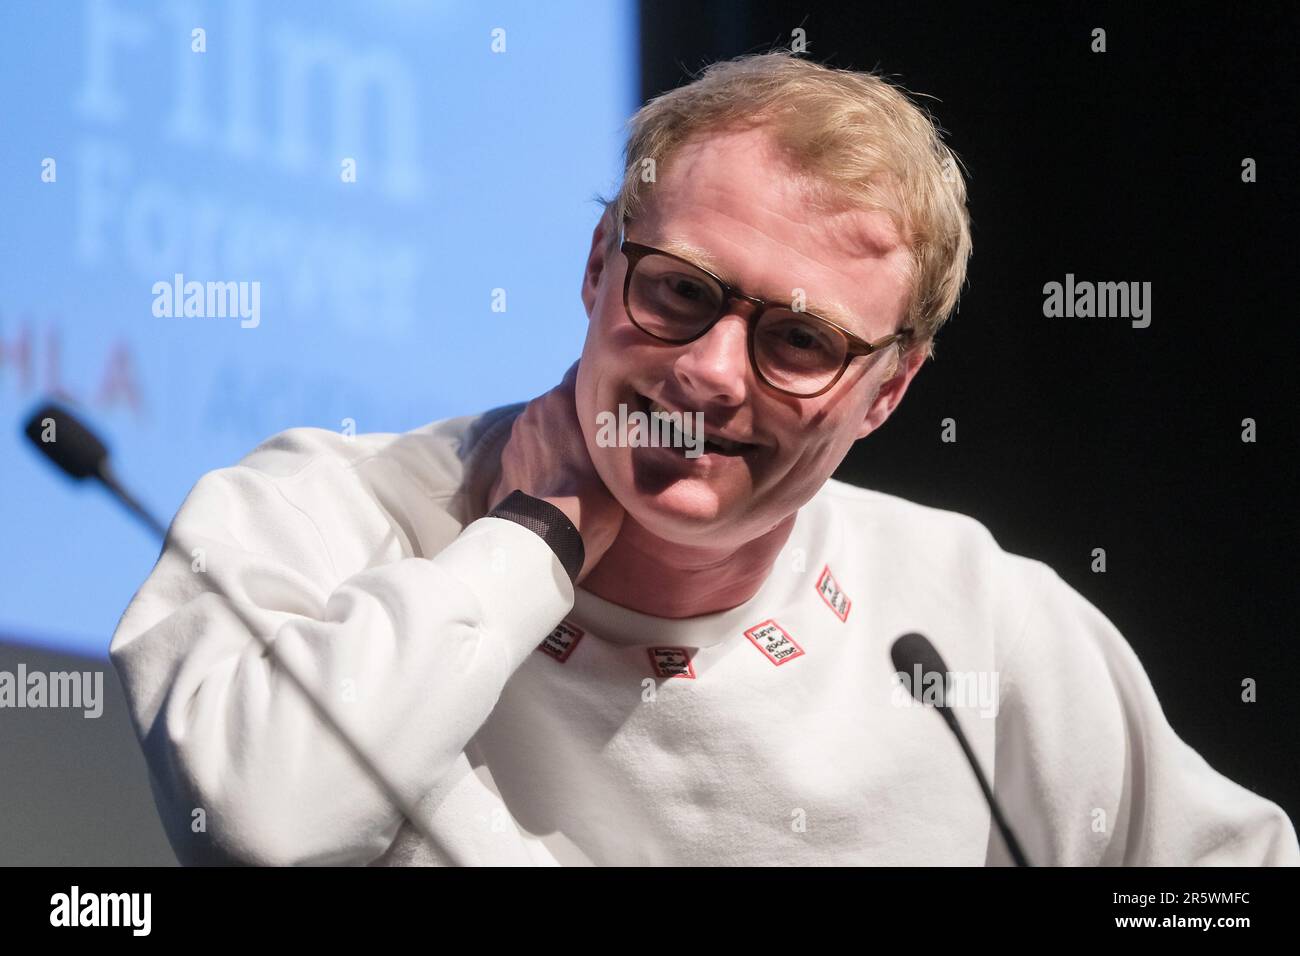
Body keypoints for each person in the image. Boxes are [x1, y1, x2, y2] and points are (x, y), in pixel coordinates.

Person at [109, 50, 1298, 866]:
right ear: (595, 264)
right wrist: (529, 543)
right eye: (677, 290)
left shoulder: (974, 621)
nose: (713, 372)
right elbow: (256, 820)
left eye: (799, 340)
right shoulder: (318, 512)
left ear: (887, 390)